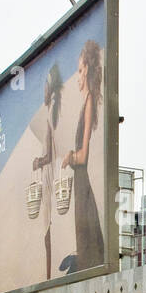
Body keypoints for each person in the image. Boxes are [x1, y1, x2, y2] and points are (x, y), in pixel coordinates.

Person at [62, 41, 106, 271]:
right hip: (80, 184)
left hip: (82, 182)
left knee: (88, 244)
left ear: (87, 69)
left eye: (79, 70)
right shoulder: (86, 103)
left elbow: (83, 156)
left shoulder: (89, 103)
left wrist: (70, 157)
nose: (78, 77)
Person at [32, 64, 64, 279]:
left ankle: (48, 276)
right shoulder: (53, 108)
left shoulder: (53, 108)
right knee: (47, 228)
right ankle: (48, 274)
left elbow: (53, 150)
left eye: (44, 83)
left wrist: (40, 160)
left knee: (47, 227)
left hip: (50, 175)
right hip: (49, 174)